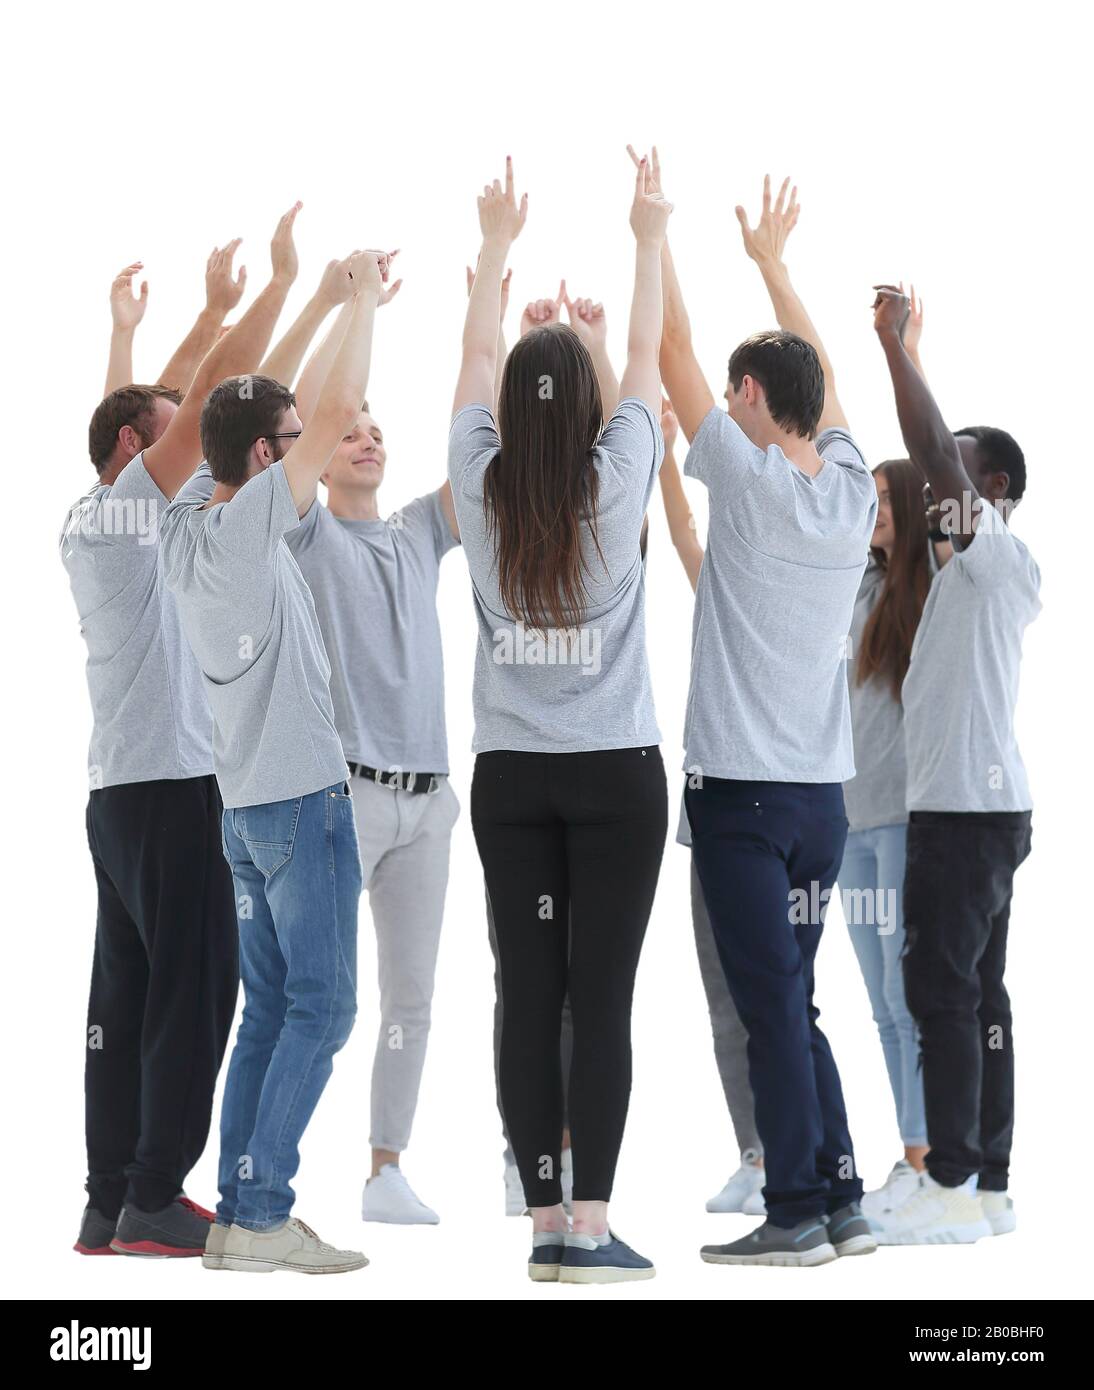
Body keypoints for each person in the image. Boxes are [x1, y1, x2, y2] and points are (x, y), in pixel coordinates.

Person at [653, 154, 878, 1266]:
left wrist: (654, 235)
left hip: (742, 806)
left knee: (765, 1007)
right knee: (797, 999)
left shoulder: (741, 478)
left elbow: (667, 352)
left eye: (736, 392)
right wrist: (773, 266)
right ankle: (838, 1196)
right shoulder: (845, 487)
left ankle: (793, 1206)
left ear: (747, 402)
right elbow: (824, 384)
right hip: (817, 811)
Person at [448, 158, 669, 1284]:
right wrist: (645, 234)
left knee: (525, 995)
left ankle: (542, 1225)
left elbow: (483, 368)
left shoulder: (476, 488)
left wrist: (491, 256)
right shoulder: (619, 480)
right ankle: (589, 1227)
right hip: (615, 776)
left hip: (512, 779)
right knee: (603, 997)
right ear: (587, 413)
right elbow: (637, 361)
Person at [160, 239, 388, 1276]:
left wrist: (322, 301)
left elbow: (232, 407)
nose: (308, 449)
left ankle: (236, 1214)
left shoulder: (180, 523)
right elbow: (335, 412)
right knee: (326, 1007)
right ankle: (259, 1208)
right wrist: (364, 304)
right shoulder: (253, 526)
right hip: (302, 807)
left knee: (268, 1010)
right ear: (264, 463)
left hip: (243, 814)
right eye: (287, 444)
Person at [61, 230, 287, 1259]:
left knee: (124, 997)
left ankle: (110, 1201)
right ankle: (156, 1192)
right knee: (197, 991)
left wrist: (144, 330)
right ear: (133, 459)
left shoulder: (95, 517)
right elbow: (195, 412)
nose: (183, 461)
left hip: (120, 799)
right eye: (161, 449)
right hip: (171, 788)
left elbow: (152, 404)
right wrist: (283, 288)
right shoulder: (126, 513)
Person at [263, 252, 463, 1226]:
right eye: (350, 430)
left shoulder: (419, 531)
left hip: (429, 801)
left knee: (410, 998)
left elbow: (482, 463)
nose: (365, 435)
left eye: (377, 429)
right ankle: (266, 1175)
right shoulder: (306, 535)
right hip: (343, 796)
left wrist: (490, 314)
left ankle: (385, 1168)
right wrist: (358, 305)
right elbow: (321, 397)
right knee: (317, 998)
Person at [868, 285, 1039, 1245]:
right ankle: (992, 1185)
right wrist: (913, 358)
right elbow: (924, 458)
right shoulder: (962, 572)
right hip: (981, 813)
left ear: (995, 489)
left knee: (941, 994)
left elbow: (930, 457)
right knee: (980, 996)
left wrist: (894, 343)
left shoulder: (994, 554)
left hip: (964, 820)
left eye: (962, 477)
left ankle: (953, 1186)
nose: (939, 489)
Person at [656, 398, 766, 1216]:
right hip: (710, 810)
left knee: (778, 994)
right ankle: (758, 1155)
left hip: (781, 808)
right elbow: (689, 538)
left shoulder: (806, 568)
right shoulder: (726, 586)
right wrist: (662, 455)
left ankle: (801, 1155)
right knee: (726, 997)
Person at [839, 455, 934, 1216]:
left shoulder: (926, 587)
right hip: (848, 825)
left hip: (902, 816)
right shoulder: (854, 584)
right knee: (878, 1000)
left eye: (884, 501)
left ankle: (925, 1161)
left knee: (908, 997)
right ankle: (910, 1155)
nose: (873, 511)